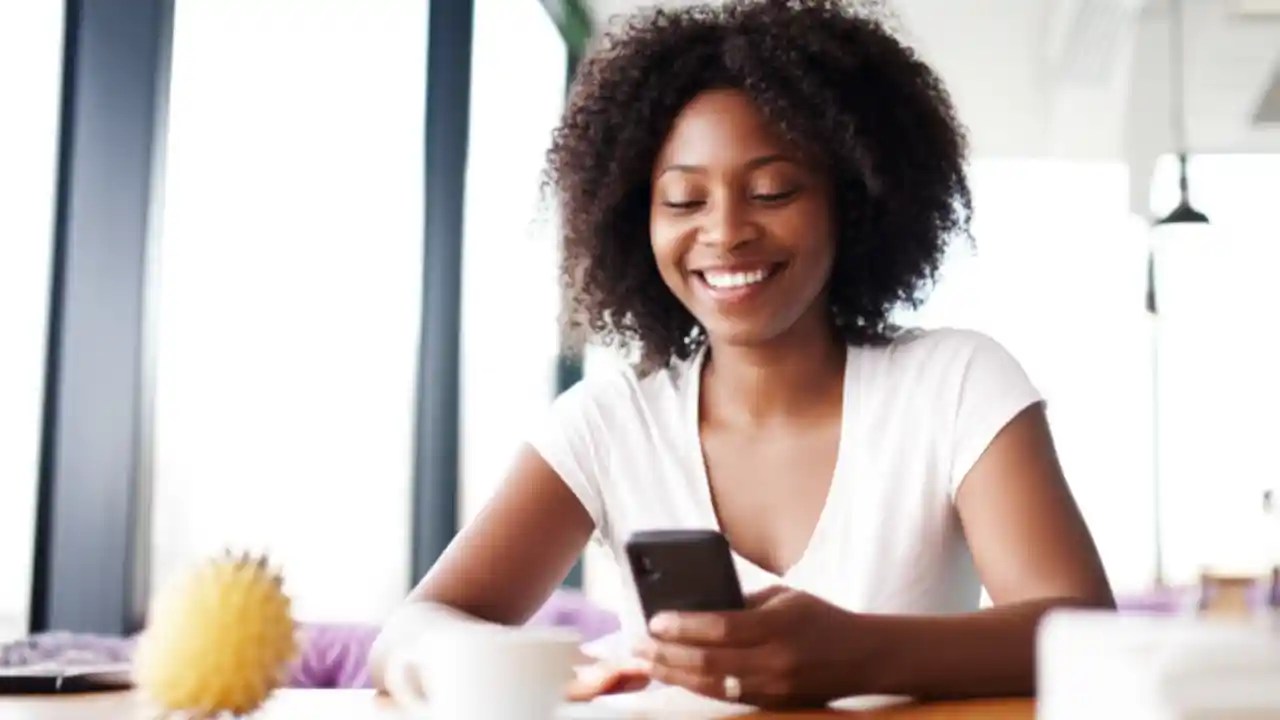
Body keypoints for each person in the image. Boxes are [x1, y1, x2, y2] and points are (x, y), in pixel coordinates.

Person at [370, 0, 1114, 708]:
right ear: (636, 221)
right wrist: (551, 665)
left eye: (773, 191)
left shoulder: (956, 385)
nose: (725, 233)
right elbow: (413, 629)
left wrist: (858, 655)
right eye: (684, 201)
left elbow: (1079, 630)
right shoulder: (609, 422)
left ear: (850, 203)